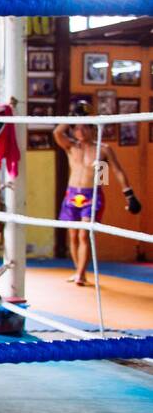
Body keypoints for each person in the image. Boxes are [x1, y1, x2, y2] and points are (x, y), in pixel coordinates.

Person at [53, 102, 140, 287]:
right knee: (73, 236)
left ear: (93, 129)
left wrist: (129, 195)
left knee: (85, 235)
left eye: (85, 127)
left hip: (91, 195)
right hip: (71, 194)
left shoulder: (103, 149)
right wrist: (71, 117)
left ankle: (81, 274)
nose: (81, 131)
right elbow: (57, 133)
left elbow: (116, 172)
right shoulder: (71, 147)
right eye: (77, 128)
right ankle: (79, 272)